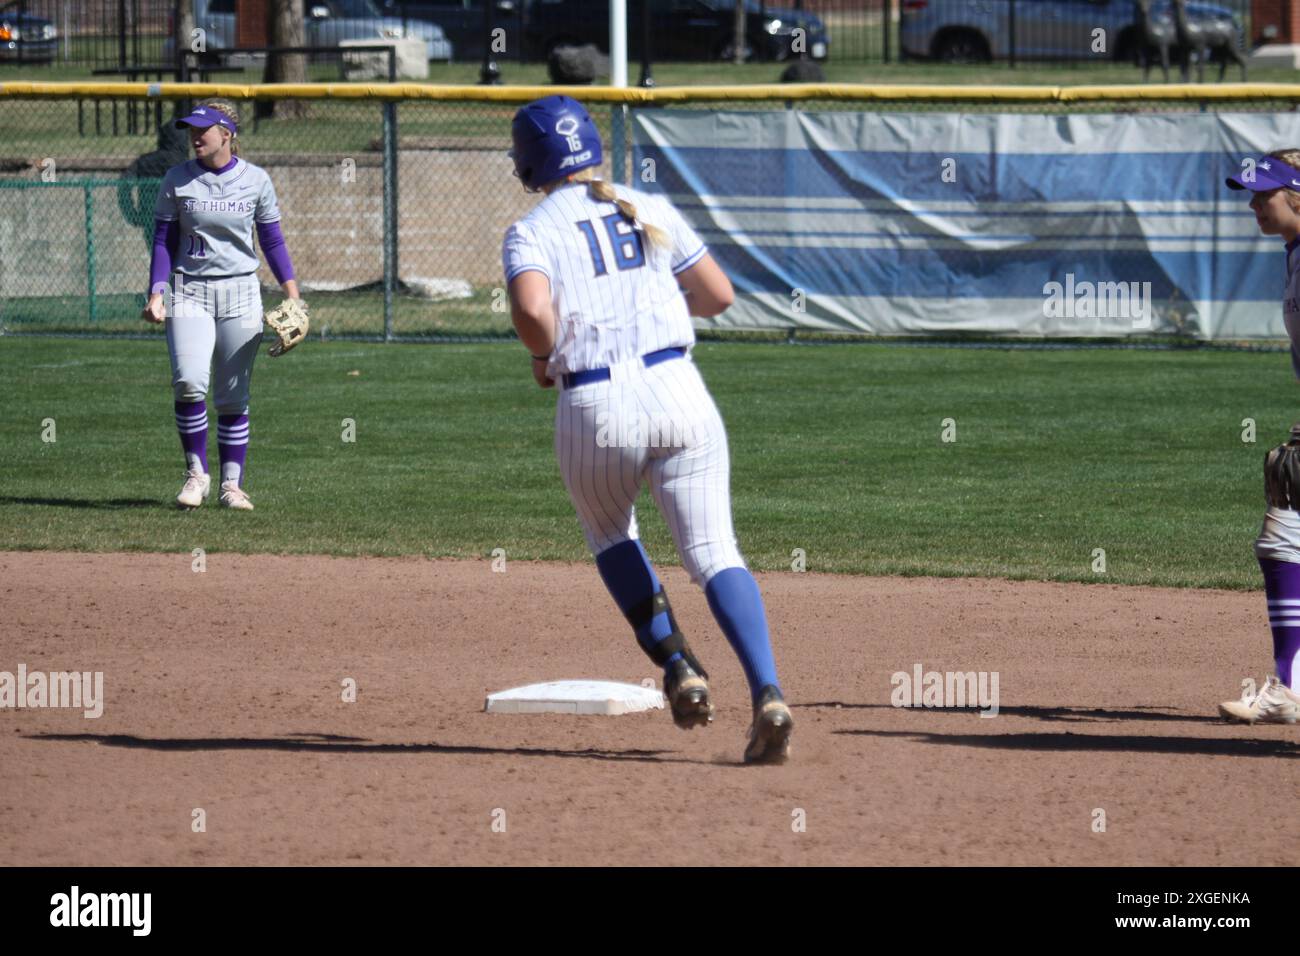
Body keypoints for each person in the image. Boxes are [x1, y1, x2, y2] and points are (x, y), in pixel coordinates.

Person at [502, 95, 794, 763]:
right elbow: (718, 296)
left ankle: (679, 665)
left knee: (611, 535)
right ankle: (768, 690)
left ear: (527, 163)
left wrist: (542, 355)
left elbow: (532, 310)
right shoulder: (647, 205)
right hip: (679, 390)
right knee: (716, 552)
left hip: (596, 404)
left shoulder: (532, 230)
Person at [142, 99, 300, 511]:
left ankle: (232, 485)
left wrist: (292, 292)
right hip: (188, 289)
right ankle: (196, 475)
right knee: (189, 381)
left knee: (233, 395)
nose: (194, 136)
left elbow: (272, 240)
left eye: (203, 130)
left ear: (226, 134)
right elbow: (163, 241)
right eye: (191, 130)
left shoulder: (256, 180)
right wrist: (157, 290)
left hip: (241, 292)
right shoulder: (177, 179)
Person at [1219, 150, 1300, 723]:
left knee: (1282, 537)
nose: (1253, 204)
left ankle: (1290, 687)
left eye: (1264, 194)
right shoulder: (1294, 254)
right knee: (1282, 533)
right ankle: (1290, 685)